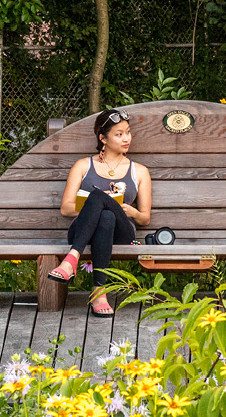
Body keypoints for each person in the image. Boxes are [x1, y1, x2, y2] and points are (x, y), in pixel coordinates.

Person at [47, 109, 153, 316]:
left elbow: (145, 218)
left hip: (122, 233)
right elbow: (66, 208)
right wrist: (101, 202)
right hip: (83, 231)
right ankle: (99, 291)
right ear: (102, 138)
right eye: (119, 134)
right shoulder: (83, 166)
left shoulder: (139, 171)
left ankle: (71, 260)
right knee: (104, 213)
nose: (126, 139)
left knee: (100, 199)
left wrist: (131, 211)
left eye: (128, 132)